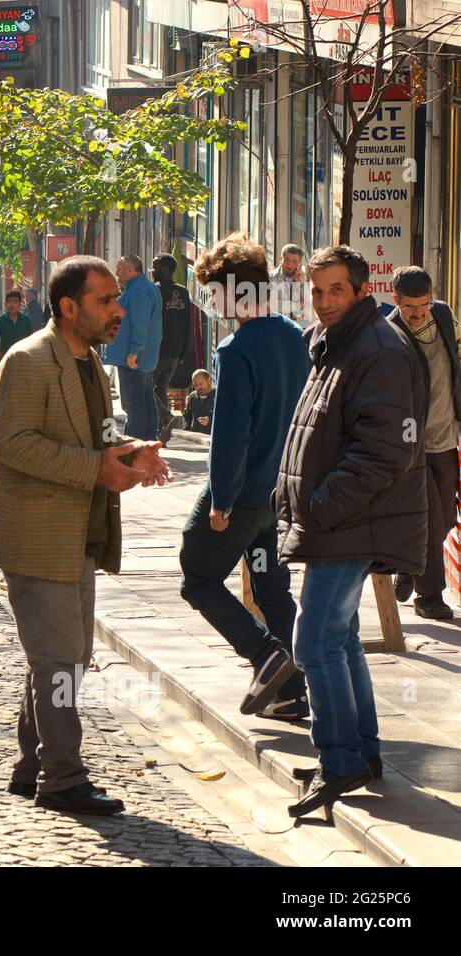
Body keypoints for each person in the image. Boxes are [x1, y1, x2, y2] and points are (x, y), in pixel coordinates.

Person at [0, 255, 169, 817]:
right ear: (69, 307)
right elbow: (12, 444)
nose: (119, 309)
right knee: (59, 660)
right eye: (106, 300)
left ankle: (31, 764)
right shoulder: (29, 361)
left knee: (65, 658)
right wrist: (95, 470)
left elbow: (99, 435)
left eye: (117, 298)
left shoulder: (90, 364)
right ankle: (63, 778)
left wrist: (133, 451)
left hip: (81, 536)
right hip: (37, 536)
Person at [275, 245, 427, 818]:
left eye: (336, 289)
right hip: (338, 518)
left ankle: (339, 762)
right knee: (335, 639)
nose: (324, 301)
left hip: (353, 519)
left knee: (312, 643)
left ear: (362, 289)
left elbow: (384, 450)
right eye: (316, 291)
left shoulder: (378, 348)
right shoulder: (339, 342)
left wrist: (318, 503)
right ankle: (360, 754)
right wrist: (290, 494)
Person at [178, 235, 311, 724]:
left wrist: (221, 500)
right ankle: (294, 689)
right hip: (280, 496)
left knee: (199, 576)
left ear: (235, 291)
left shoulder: (235, 351)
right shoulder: (295, 336)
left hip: (244, 496)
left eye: (213, 292)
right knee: (272, 587)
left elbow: (230, 433)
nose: (211, 303)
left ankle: (265, 655)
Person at [386, 266, 461, 620]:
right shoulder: (388, 333)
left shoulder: (443, 315)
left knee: (446, 517)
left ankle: (408, 561)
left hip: (446, 437)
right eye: (410, 307)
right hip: (410, 443)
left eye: (424, 305)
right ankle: (429, 597)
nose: (418, 313)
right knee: (429, 516)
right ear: (395, 299)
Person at [103, 255, 163, 440]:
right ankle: (147, 443)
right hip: (141, 356)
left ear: (130, 270)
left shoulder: (138, 291)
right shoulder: (144, 288)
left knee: (134, 405)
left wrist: (134, 352)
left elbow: (140, 324)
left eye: (120, 269)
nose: (117, 273)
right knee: (144, 401)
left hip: (133, 357)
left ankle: (136, 446)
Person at [151, 254, 194, 444]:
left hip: (158, 350)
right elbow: (188, 324)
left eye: (155, 267)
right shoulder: (183, 292)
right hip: (176, 351)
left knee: (145, 388)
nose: (152, 271)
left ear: (165, 270)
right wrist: (184, 352)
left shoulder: (154, 291)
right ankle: (163, 432)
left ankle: (166, 417)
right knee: (160, 387)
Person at [270, 243, 309, 326]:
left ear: (300, 262)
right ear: (281, 259)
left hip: (301, 327)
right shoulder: (271, 277)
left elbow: (309, 301)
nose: (290, 265)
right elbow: (274, 305)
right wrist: (299, 305)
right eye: (287, 260)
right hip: (278, 326)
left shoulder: (306, 276)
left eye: (294, 261)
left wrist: (301, 282)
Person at [0, 290, 35, 359]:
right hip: (5, 356)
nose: (12, 305)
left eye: (15, 302)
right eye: (9, 302)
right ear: (5, 304)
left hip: (23, 356)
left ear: (19, 304)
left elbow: (31, 338)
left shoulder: (26, 319)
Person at [184, 369, 215, 434]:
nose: (198, 387)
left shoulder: (218, 397)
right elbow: (188, 418)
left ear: (209, 381)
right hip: (194, 437)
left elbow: (226, 419)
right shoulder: (192, 396)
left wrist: (210, 421)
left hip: (211, 437)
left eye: (201, 384)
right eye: (195, 385)